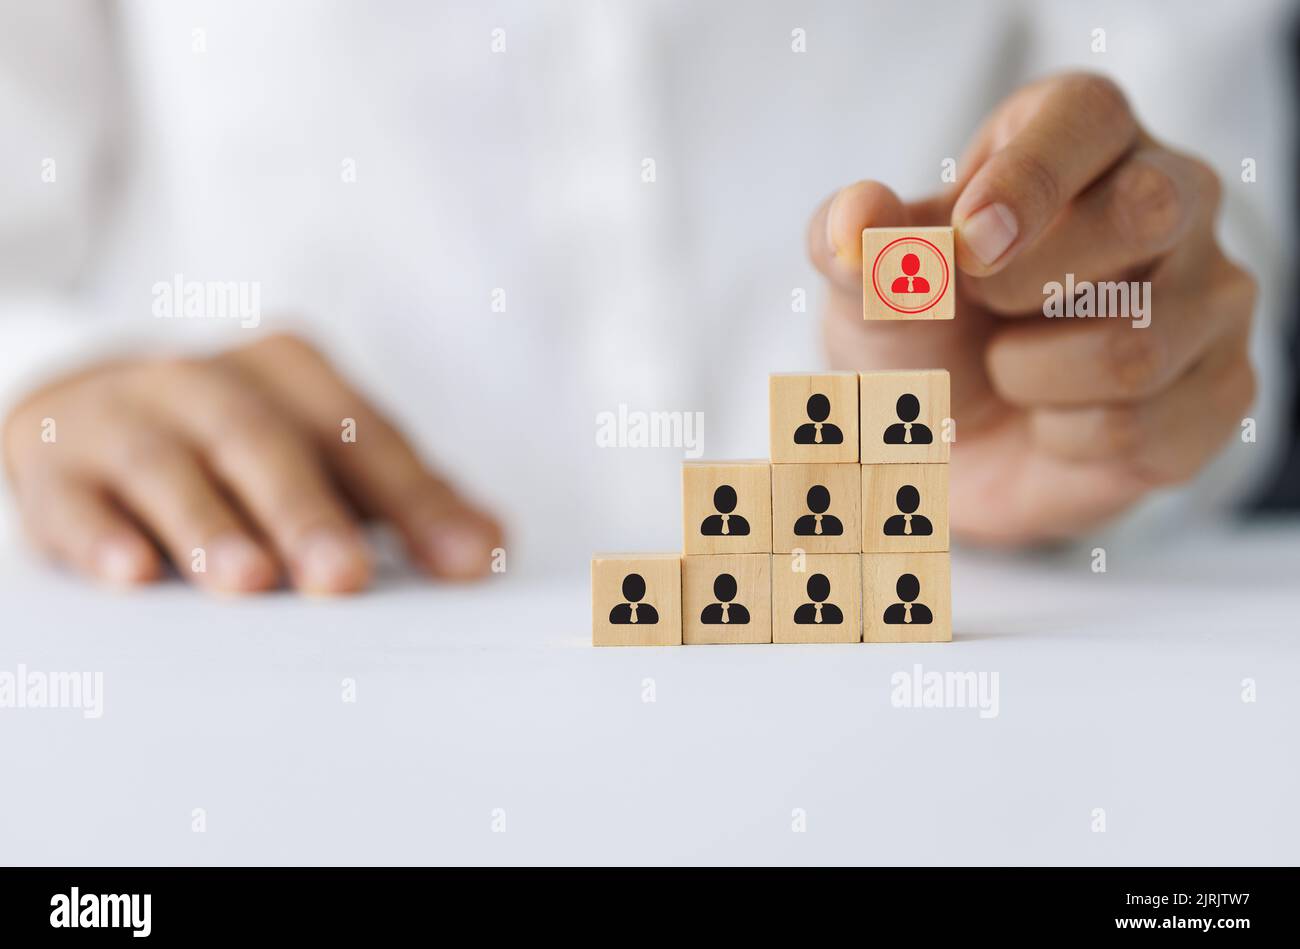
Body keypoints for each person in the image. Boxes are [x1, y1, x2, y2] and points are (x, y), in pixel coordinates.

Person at [0, 1, 1292, 593]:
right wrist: (50, 383)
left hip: (957, 621)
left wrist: (1135, 378)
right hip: (281, 635)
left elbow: (1217, 234)